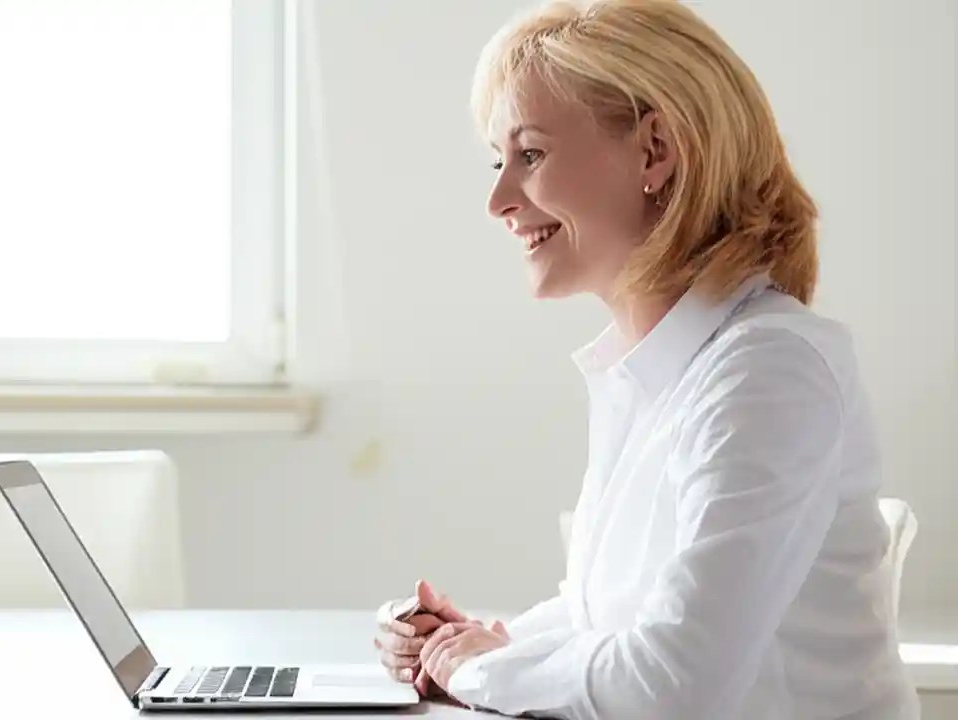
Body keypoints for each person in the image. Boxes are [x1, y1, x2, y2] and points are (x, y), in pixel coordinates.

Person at [372, 1, 920, 718]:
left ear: (654, 152)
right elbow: (606, 618)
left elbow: (673, 681)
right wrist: (469, 643)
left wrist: (481, 671)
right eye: (499, 160)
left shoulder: (769, 372)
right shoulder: (663, 374)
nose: (499, 199)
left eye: (530, 154)